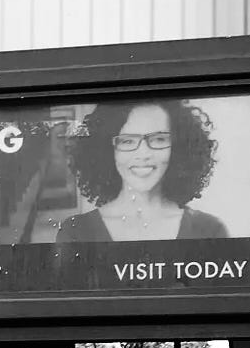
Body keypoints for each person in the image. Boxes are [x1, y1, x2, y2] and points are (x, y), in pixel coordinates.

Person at [57, 99, 228, 242]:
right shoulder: (76, 232)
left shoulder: (209, 230)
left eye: (159, 139)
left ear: (178, 147)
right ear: (107, 151)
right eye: (127, 141)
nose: (144, 154)